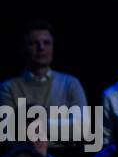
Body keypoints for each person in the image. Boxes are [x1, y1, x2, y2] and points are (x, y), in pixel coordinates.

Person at [0, 21, 89, 149]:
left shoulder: (70, 83)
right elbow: (7, 133)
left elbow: (82, 128)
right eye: (34, 43)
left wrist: (34, 125)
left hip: (63, 156)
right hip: (24, 156)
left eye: (46, 43)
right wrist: (61, 128)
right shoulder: (8, 88)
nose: (41, 48)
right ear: (23, 49)